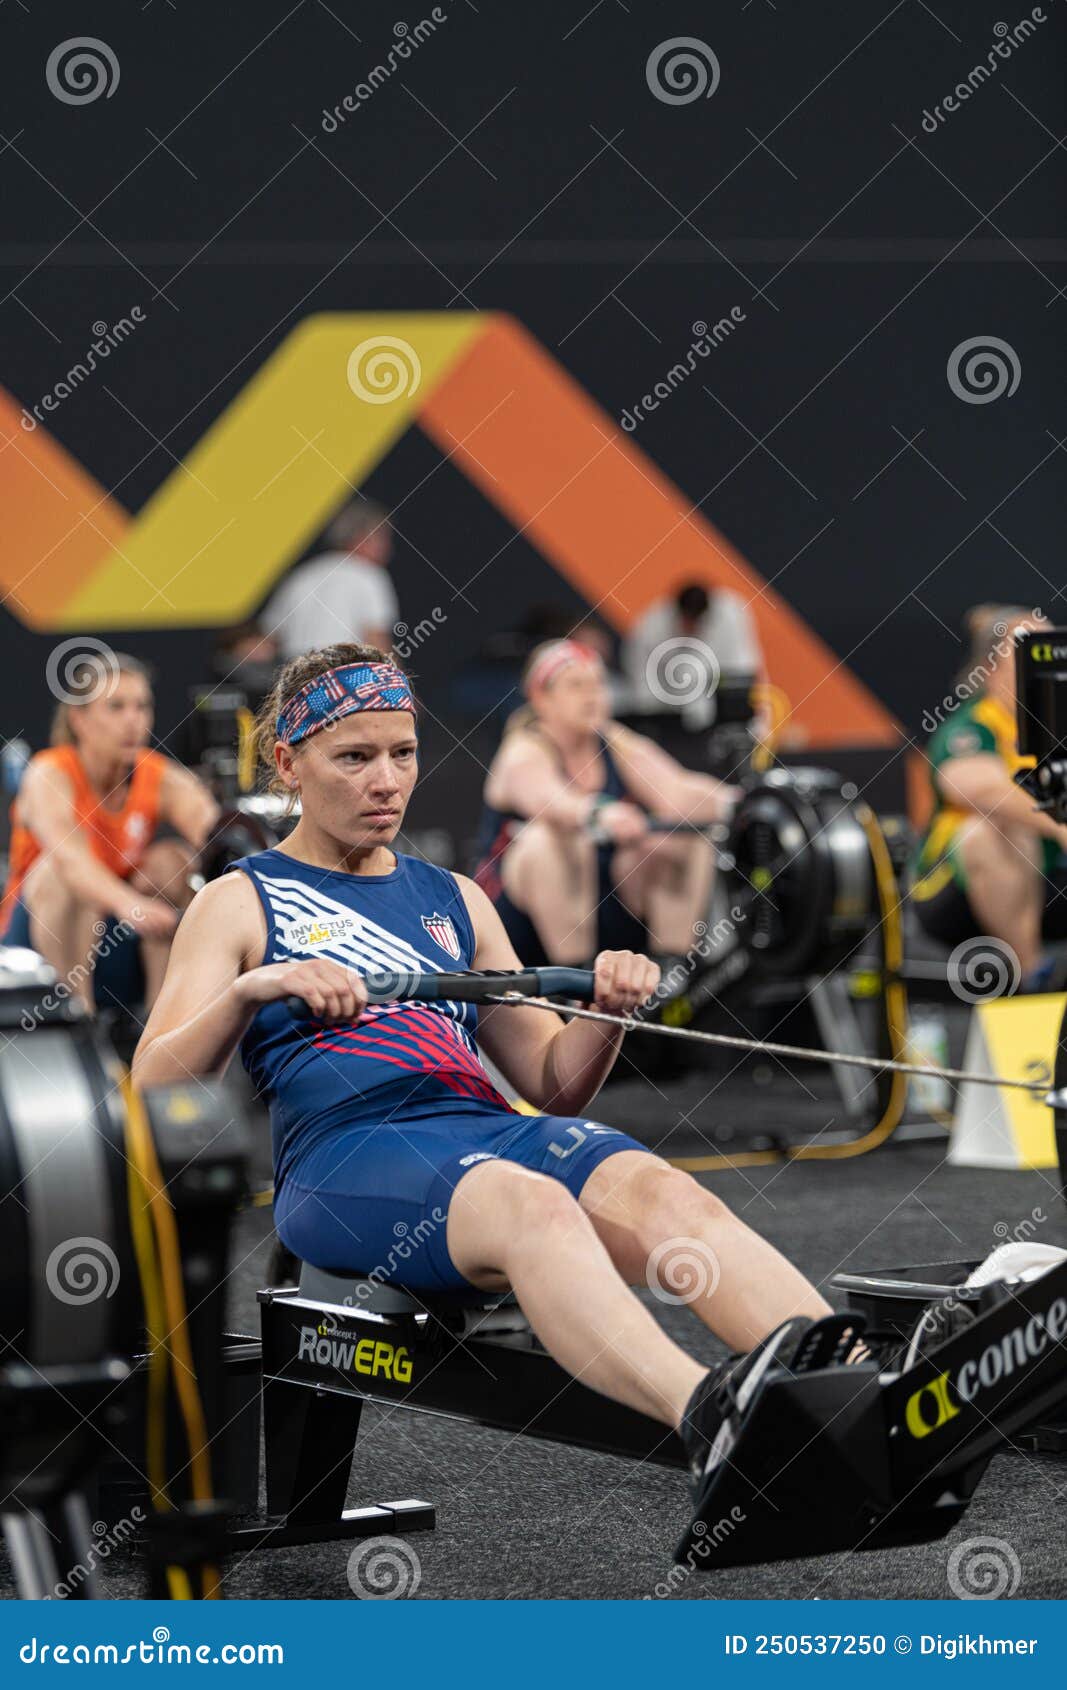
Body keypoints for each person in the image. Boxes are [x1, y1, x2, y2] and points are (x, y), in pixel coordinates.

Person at [131, 640, 858, 1528]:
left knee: (657, 1185)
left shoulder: (455, 899)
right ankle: (712, 1417)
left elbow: (552, 1085)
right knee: (531, 1206)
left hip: (482, 1128)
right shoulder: (242, 901)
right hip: (344, 1159)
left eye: (401, 754)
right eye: (353, 757)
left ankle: (856, 1393)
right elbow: (152, 1081)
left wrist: (606, 1012)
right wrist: (251, 992)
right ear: (288, 761)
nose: (385, 781)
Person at [475, 638, 737, 967]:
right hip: (523, 926)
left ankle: (672, 971)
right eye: (576, 686)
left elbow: (677, 790)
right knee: (549, 840)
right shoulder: (522, 749)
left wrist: (740, 803)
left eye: (598, 684)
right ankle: (573, 983)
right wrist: (598, 812)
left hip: (604, 912)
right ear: (541, 697)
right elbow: (549, 799)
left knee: (681, 835)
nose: (592, 695)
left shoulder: (616, 741)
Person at [0, 654, 219, 1012]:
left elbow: (214, 831)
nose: (133, 721)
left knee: (172, 861)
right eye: (116, 707)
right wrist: (130, 905)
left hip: (117, 944)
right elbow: (71, 861)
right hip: (37, 948)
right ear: (79, 719)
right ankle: (78, 1027)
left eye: (142, 707)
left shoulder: (157, 775)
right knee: (60, 874)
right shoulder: (48, 773)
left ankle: (160, 1030)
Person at [910, 605, 1067, 989]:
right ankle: (1032, 977)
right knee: (991, 827)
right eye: (1033, 650)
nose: (1047, 659)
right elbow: (979, 785)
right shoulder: (972, 725)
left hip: (1051, 882)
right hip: (958, 894)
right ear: (993, 667)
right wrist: (1060, 824)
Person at [264, 500, 398, 661]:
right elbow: (376, 640)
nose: (388, 548)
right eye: (382, 539)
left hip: (295, 675)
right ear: (362, 538)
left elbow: (270, 639)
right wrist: (396, 681)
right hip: (342, 673)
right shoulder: (368, 574)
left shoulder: (303, 574)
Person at [622, 580, 763, 710]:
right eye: (687, 622)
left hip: (719, 705)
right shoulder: (651, 625)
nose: (690, 628)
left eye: (695, 624)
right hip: (669, 709)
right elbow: (641, 678)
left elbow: (743, 671)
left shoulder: (732, 615)